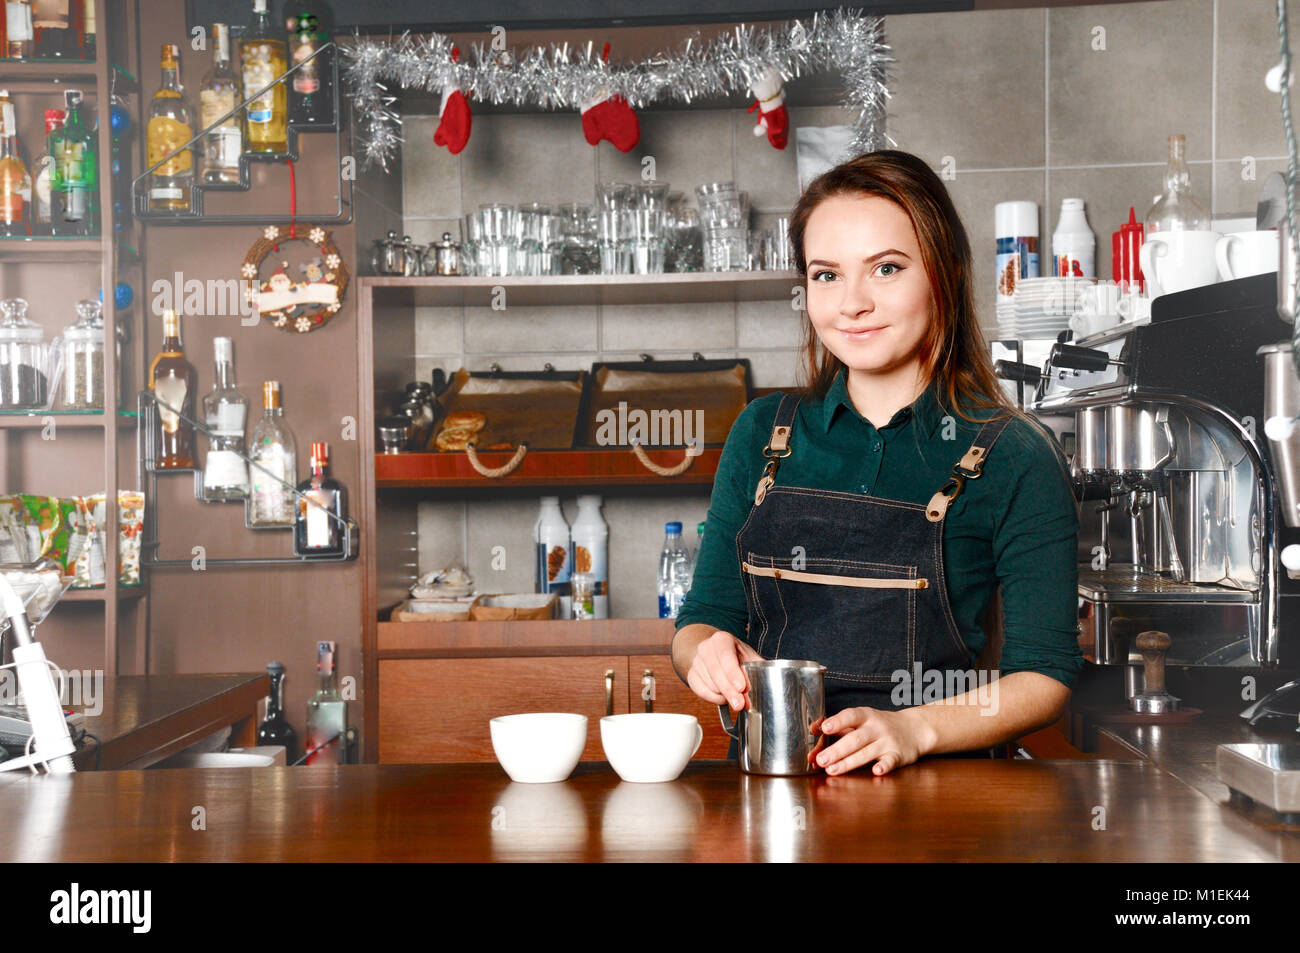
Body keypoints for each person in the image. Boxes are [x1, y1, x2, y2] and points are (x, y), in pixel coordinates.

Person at [671, 150, 1082, 777]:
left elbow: (1044, 678)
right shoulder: (763, 432)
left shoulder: (1014, 452)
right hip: (773, 793)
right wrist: (703, 651)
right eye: (826, 275)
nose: (852, 303)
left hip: (937, 802)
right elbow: (701, 624)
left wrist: (914, 727)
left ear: (942, 273)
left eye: (886, 269)